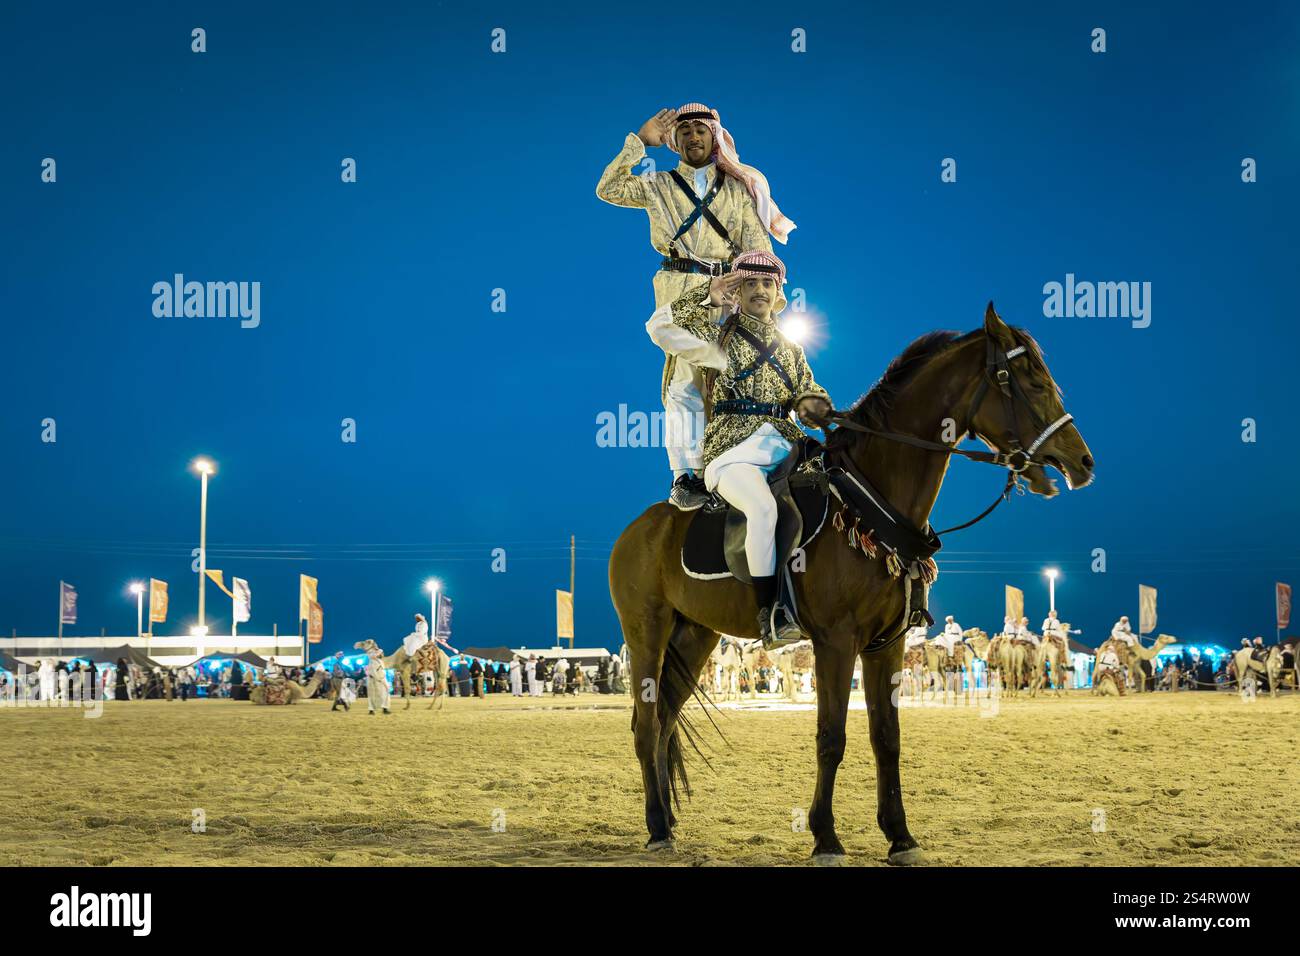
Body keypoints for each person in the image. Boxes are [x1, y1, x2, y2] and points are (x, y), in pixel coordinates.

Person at [598, 103, 791, 510]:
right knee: (684, 379)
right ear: (674, 141)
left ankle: (762, 456)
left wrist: (771, 298)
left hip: (733, 288)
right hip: (679, 289)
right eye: (683, 131)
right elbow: (608, 189)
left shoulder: (737, 189)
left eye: (700, 130)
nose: (692, 137)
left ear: (715, 136)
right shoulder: (658, 185)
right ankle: (686, 475)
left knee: (752, 367)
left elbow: (757, 245)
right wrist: (638, 142)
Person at [647, 250, 830, 645]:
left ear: (778, 293)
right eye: (750, 283)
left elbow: (809, 390)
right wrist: (707, 296)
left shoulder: (792, 349)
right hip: (733, 454)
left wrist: (817, 405)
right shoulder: (718, 340)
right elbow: (657, 327)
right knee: (762, 508)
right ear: (738, 291)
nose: (760, 290)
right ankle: (770, 615)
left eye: (767, 284)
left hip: (787, 448)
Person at [365, 644, 391, 715]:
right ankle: (371, 710)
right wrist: (379, 679)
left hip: (381, 678)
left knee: (385, 692)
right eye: (380, 654)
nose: (381, 654)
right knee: (372, 695)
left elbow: (382, 671)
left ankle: (385, 708)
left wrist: (382, 679)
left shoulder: (380, 661)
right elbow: (373, 672)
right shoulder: (371, 660)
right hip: (373, 680)